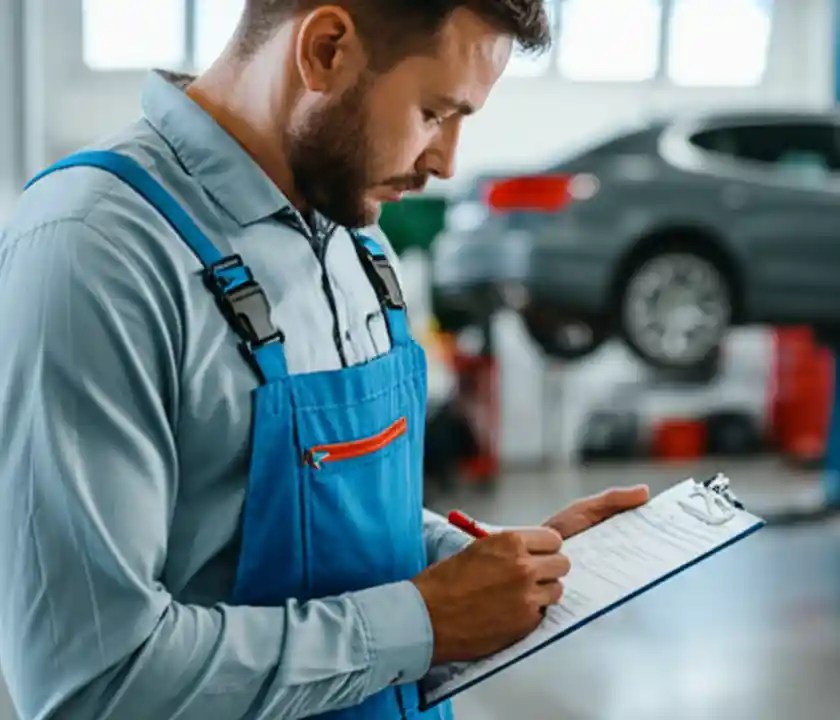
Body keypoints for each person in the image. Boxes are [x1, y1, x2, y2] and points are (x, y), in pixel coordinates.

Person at [0, 2, 651, 719]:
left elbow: (313, 513)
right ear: (327, 49)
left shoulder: (358, 242)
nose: (445, 161)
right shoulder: (96, 250)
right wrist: (425, 623)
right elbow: (90, 683)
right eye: (434, 113)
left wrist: (493, 564)